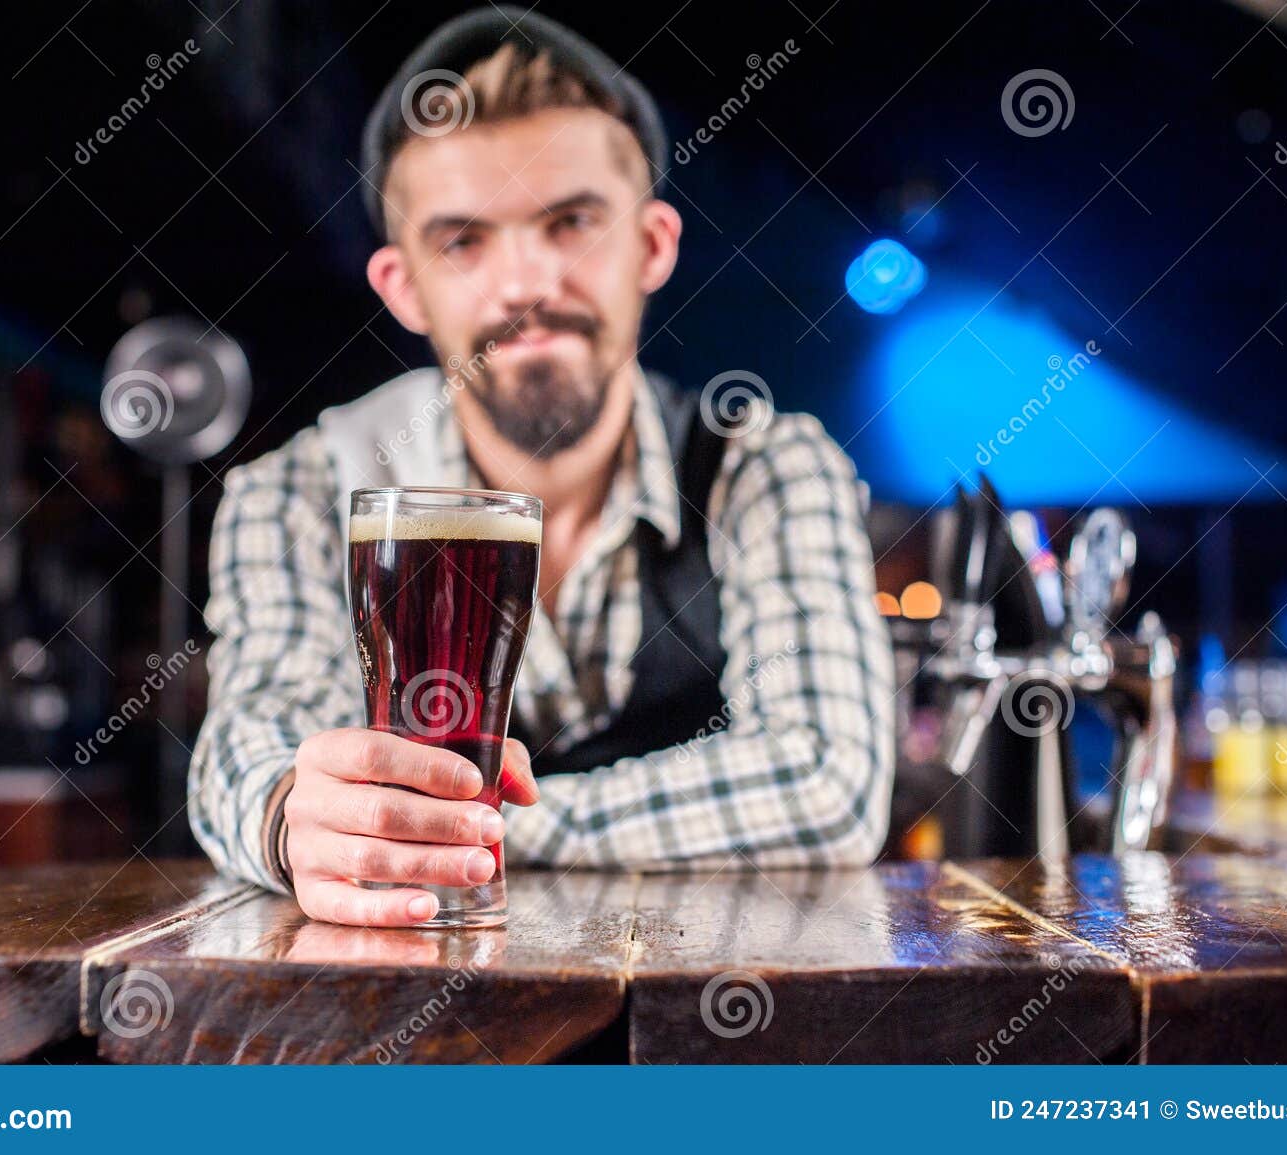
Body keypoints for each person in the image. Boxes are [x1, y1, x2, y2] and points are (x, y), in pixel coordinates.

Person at [189, 6, 895, 927]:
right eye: (463, 240)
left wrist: (467, 835)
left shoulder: (765, 467)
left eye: (570, 223)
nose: (524, 282)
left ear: (651, 246)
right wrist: (295, 817)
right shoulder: (300, 491)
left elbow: (825, 780)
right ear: (404, 287)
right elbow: (252, 743)